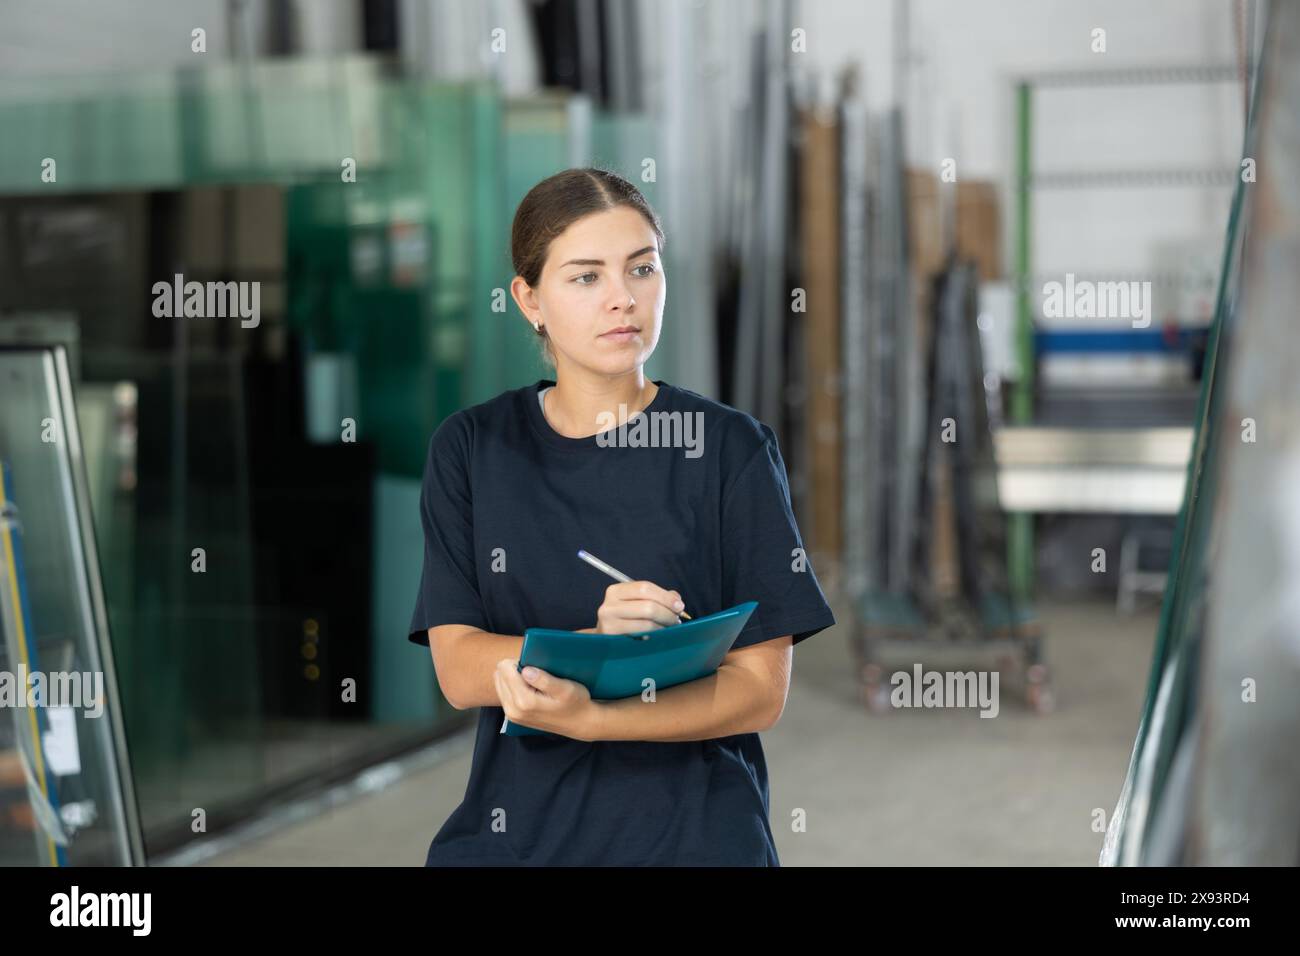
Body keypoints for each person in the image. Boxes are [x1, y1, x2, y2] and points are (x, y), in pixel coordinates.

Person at [407, 167, 835, 866]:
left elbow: (759, 691)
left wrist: (599, 715)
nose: (623, 300)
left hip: (693, 839)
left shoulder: (729, 448)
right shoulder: (474, 449)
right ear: (529, 299)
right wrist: (597, 646)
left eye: (642, 269)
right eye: (585, 277)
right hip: (518, 840)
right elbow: (460, 668)